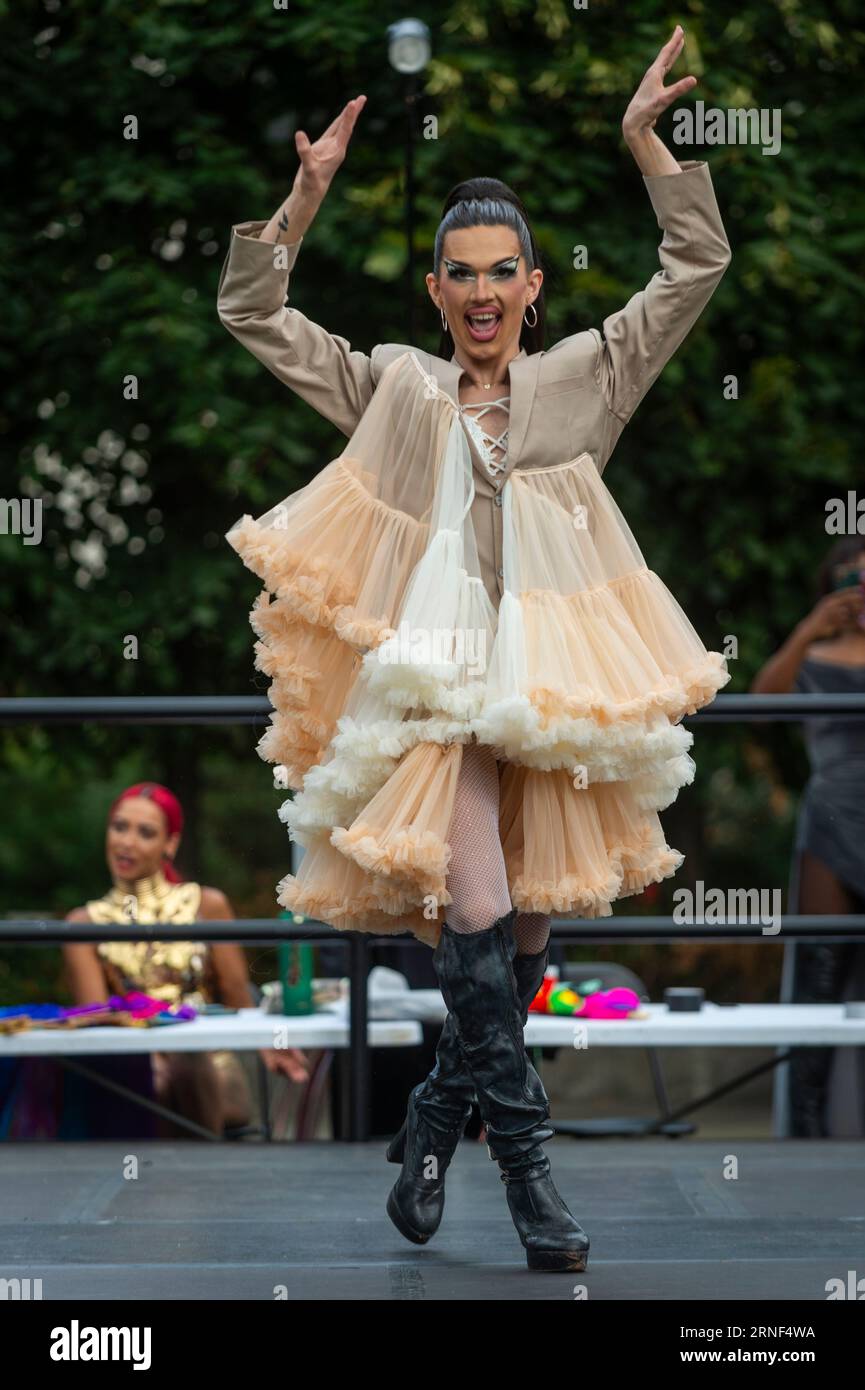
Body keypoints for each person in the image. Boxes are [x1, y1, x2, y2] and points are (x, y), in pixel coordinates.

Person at [217, 26, 730, 1271]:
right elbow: (251, 309)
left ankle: (433, 1129)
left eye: (506, 271)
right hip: (436, 698)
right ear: (438, 293)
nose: (486, 291)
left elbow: (695, 261)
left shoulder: (583, 383)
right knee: (484, 912)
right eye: (463, 274)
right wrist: (305, 195)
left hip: (545, 699)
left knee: (521, 947)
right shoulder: (393, 386)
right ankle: (535, 1186)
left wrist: (645, 145)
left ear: (532, 285)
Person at [62, 782, 309, 1138]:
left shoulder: (205, 905)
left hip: (207, 1062)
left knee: (186, 1060)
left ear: (170, 844)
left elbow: (239, 996)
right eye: (119, 827)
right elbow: (99, 1023)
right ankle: (194, 1182)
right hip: (135, 1064)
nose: (127, 842)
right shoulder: (82, 924)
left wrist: (272, 1042)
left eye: (145, 833)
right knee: (153, 1079)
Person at [751, 537, 865, 1137]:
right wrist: (807, 631)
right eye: (852, 580)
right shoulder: (817, 655)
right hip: (832, 817)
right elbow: (760, 706)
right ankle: (807, 1131)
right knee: (821, 974)